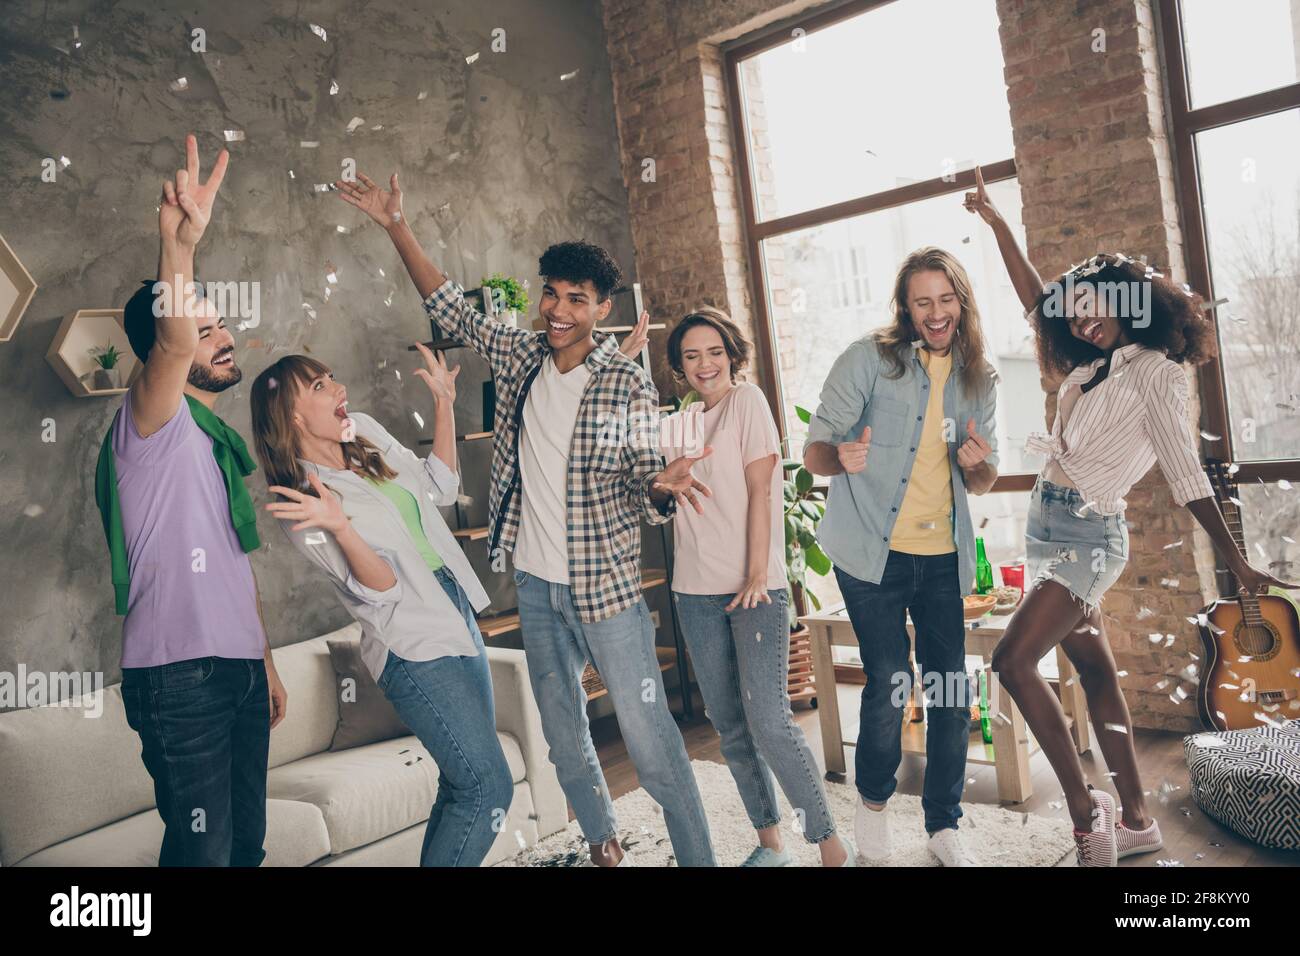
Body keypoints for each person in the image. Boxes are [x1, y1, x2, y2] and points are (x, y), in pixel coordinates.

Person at [334, 171, 716, 866]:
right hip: (537, 588)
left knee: (651, 736)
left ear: (602, 309)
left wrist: (659, 487)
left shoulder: (624, 381)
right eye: (552, 294)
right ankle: (602, 839)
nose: (559, 309)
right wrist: (396, 227)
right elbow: (451, 308)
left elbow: (635, 484)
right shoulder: (519, 358)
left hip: (606, 591)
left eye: (577, 299)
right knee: (563, 732)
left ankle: (699, 857)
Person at [964, 164, 1293, 865]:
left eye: (1094, 306)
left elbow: (1183, 472)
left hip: (1089, 535)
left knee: (1013, 662)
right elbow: (1036, 301)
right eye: (1075, 310)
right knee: (1097, 674)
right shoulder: (1088, 369)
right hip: (1047, 526)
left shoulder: (1156, 372)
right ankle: (1138, 819)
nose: (1081, 318)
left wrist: (1235, 561)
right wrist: (997, 226)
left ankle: (1088, 817)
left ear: (1127, 302)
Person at [95, 134, 288, 866]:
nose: (221, 337)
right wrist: (178, 248)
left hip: (234, 669)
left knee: (245, 851)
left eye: (219, 323)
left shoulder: (211, 441)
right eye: (202, 329)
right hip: (179, 678)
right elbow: (171, 345)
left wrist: (261, 662)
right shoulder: (151, 417)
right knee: (203, 856)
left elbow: (235, 564)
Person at [250, 344, 514, 867]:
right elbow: (383, 589)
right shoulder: (299, 500)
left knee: (464, 785)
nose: (338, 388)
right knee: (488, 788)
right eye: (320, 386)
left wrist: (443, 402)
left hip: (454, 608)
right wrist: (342, 526)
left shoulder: (363, 429)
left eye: (331, 375)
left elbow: (440, 487)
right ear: (292, 415)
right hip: (410, 645)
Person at [803, 247, 1000, 867]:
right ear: (906, 306)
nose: (936, 312)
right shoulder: (868, 359)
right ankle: (873, 807)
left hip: (942, 555)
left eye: (946, 299)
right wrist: (841, 458)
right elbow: (814, 451)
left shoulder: (979, 377)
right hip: (870, 552)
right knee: (890, 680)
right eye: (923, 301)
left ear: (961, 302)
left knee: (948, 688)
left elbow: (986, 476)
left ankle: (944, 825)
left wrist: (979, 467)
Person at [661, 308, 856, 867]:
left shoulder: (748, 402)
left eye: (714, 352)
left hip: (754, 588)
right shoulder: (679, 419)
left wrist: (755, 572)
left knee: (768, 719)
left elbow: (760, 489)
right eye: (692, 355)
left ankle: (828, 842)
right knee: (728, 724)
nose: (705, 365)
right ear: (680, 365)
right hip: (693, 589)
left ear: (731, 353)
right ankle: (769, 841)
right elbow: (671, 495)